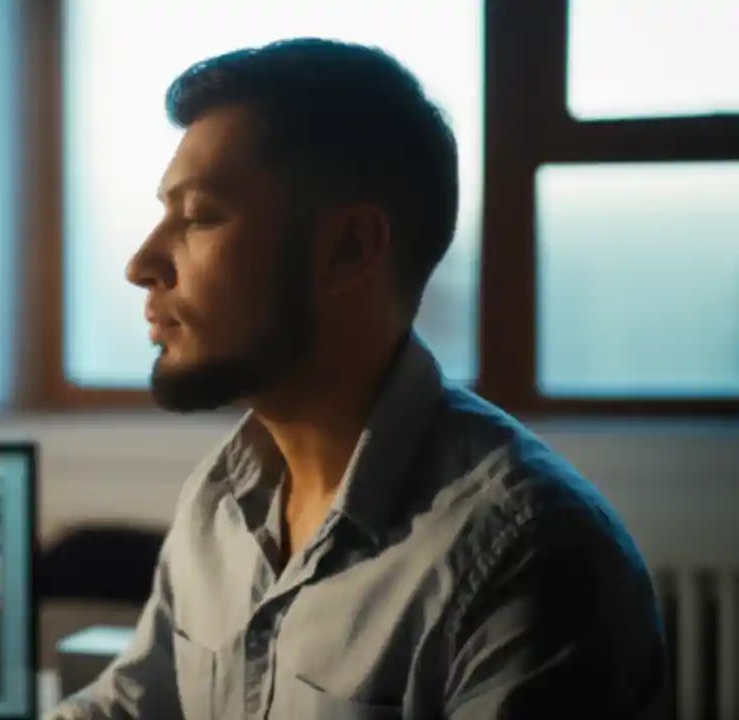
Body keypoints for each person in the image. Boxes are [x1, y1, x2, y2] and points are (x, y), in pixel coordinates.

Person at [48, 38, 664, 719]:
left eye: (198, 217)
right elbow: (137, 704)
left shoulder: (529, 557)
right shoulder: (221, 500)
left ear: (347, 249)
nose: (141, 262)